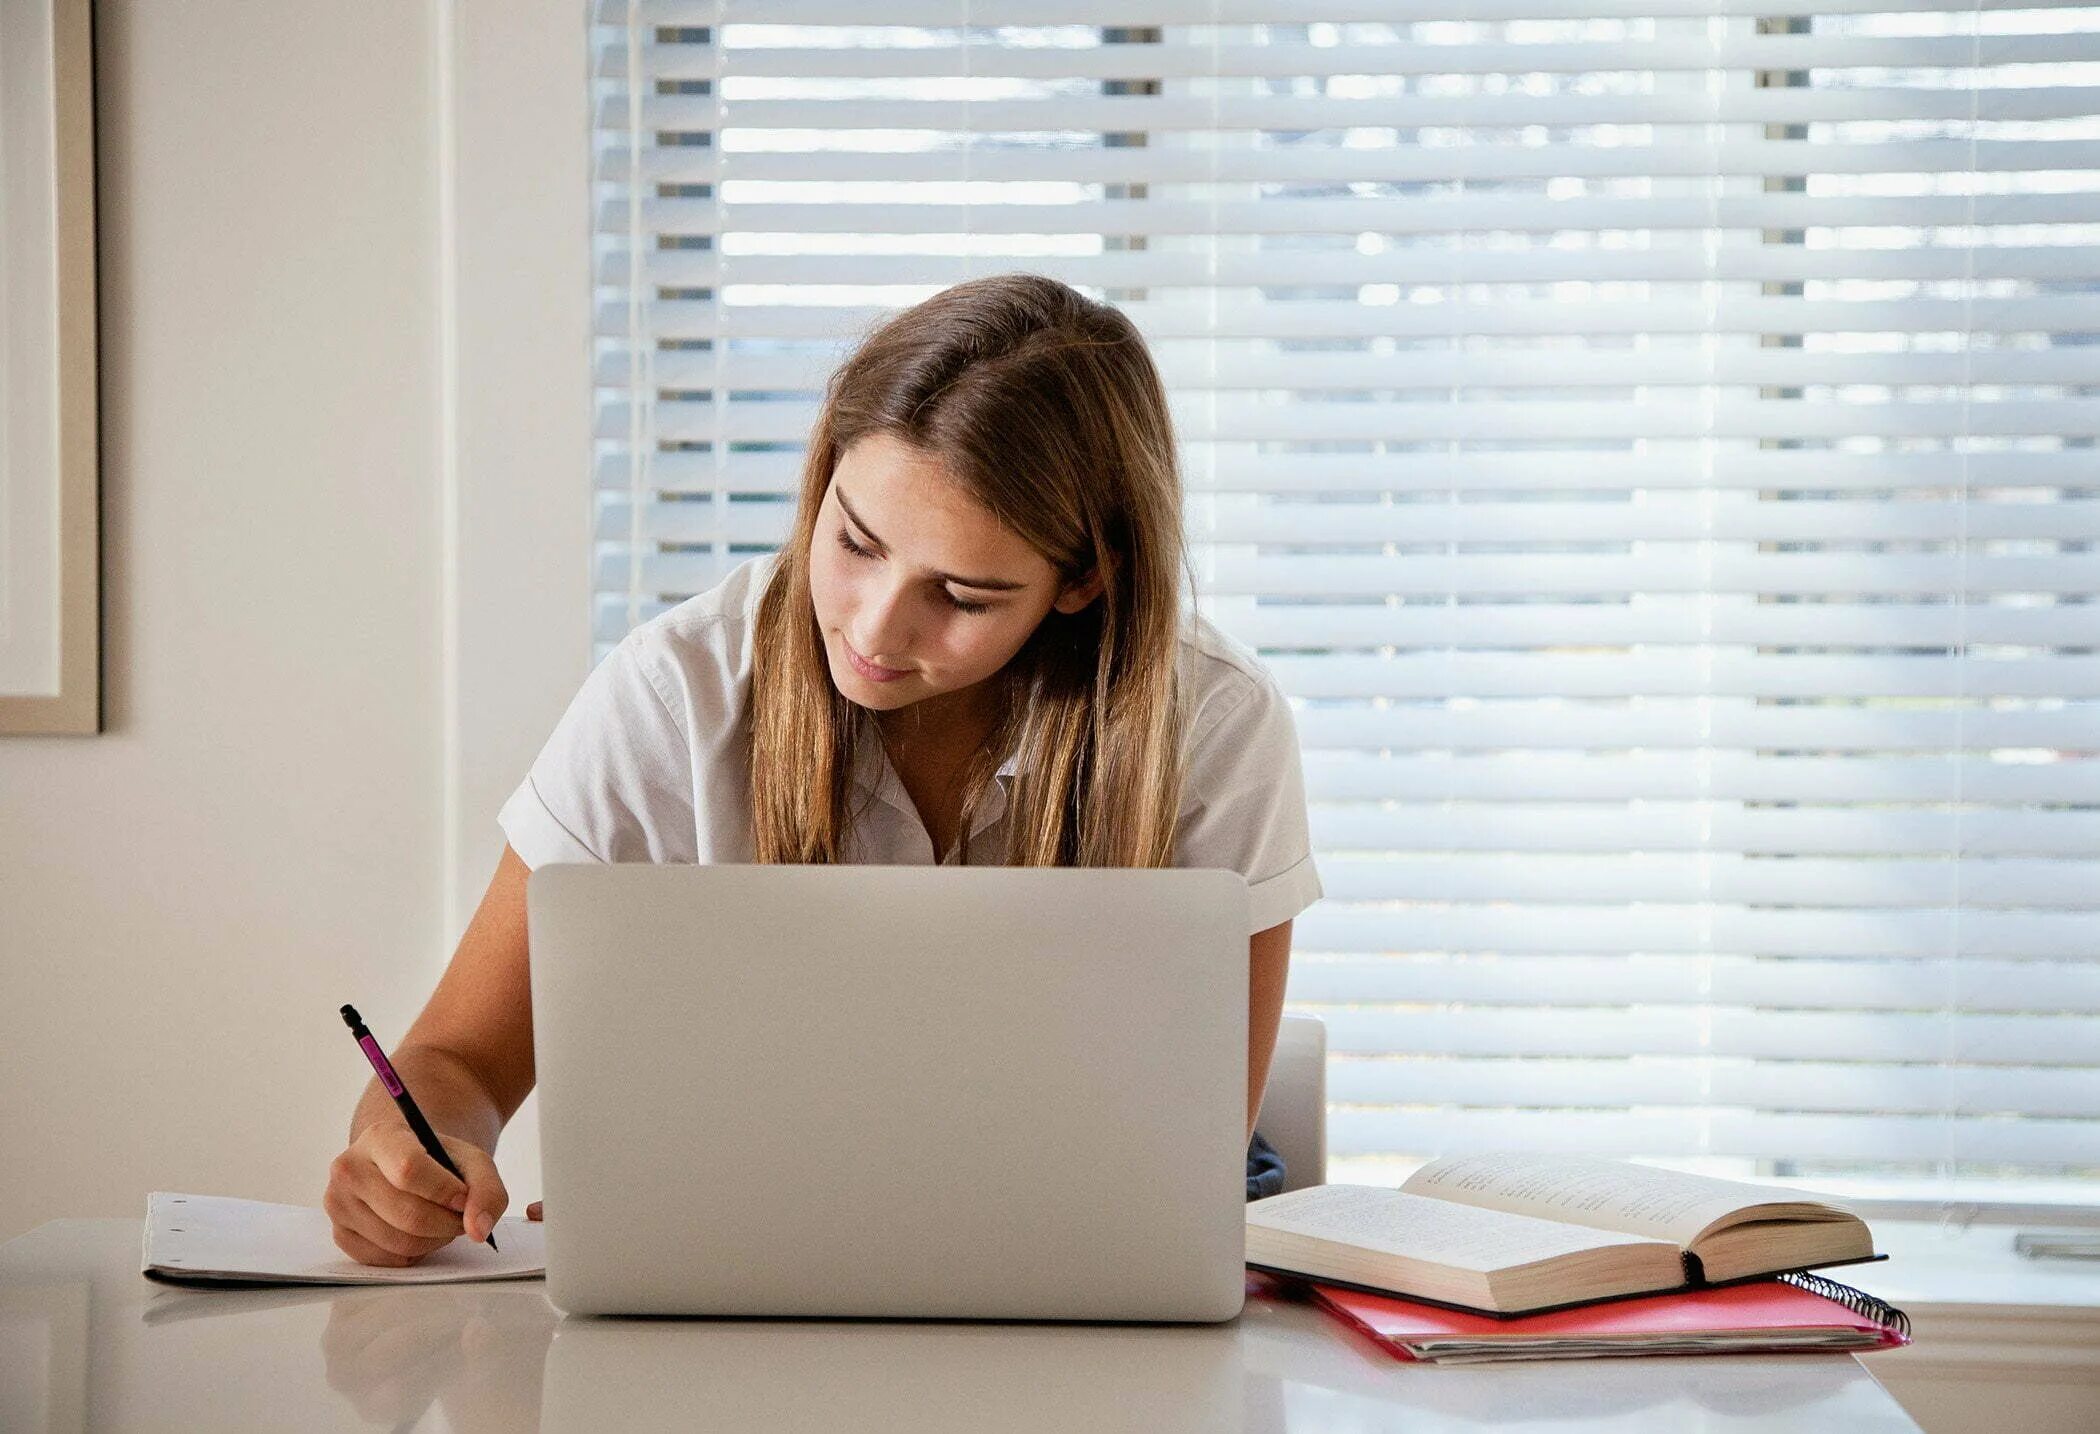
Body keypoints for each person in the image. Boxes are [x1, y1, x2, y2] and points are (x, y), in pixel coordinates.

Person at [324, 273, 1323, 1266]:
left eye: (965, 597)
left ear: (1082, 581)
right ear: (825, 474)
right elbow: (456, 1061)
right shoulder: (677, 695)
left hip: (1068, 1291)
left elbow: (1189, 1158)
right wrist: (412, 1151)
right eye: (854, 542)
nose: (874, 629)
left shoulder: (1215, 727)